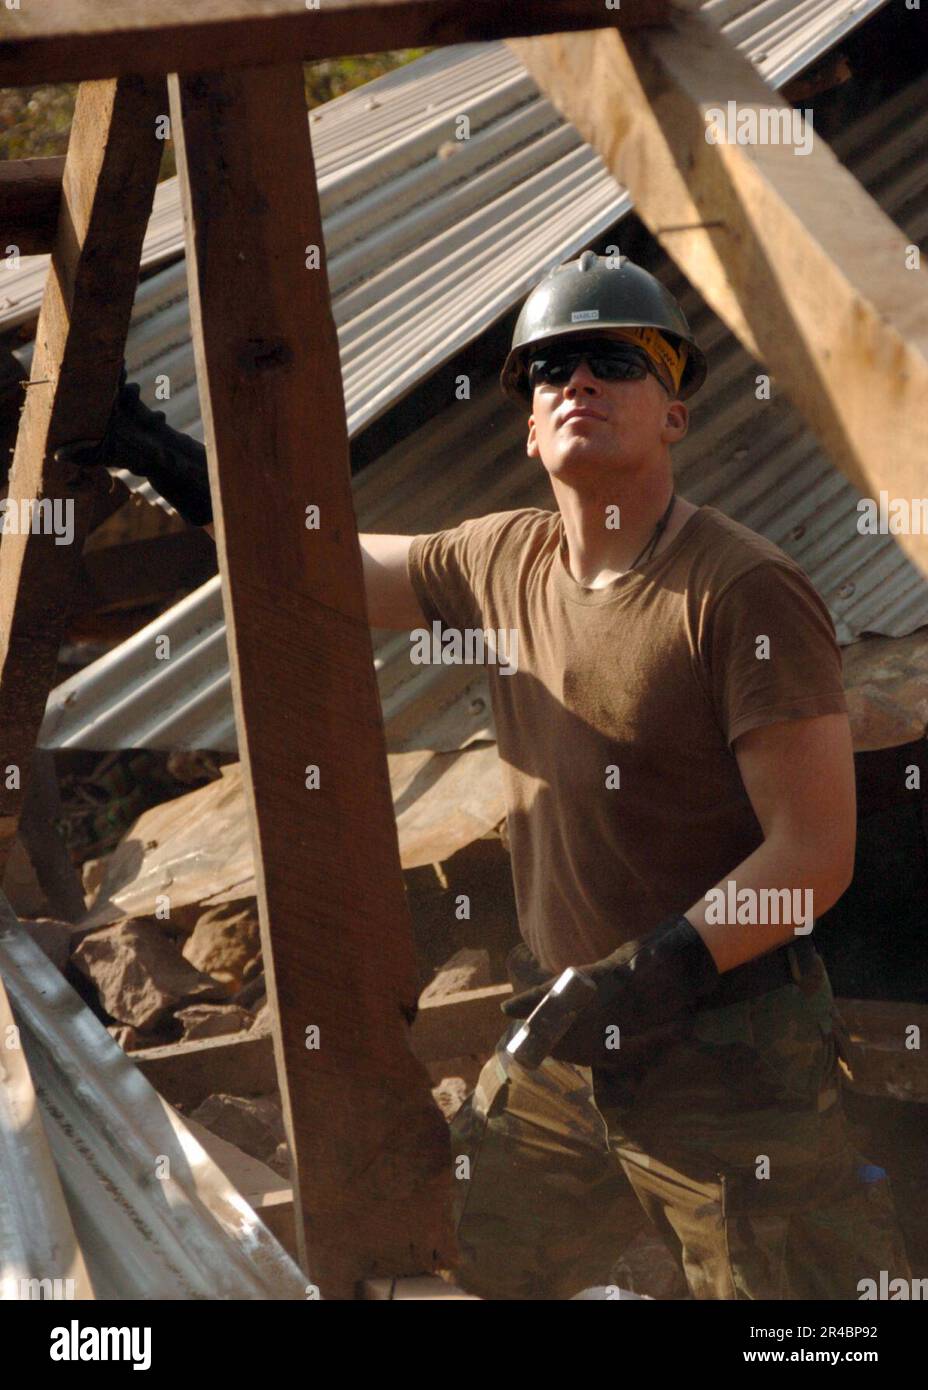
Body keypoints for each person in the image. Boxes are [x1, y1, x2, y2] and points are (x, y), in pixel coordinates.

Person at [59, 250, 912, 1301]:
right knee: (446, 1249)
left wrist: (654, 968)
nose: (576, 382)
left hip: (730, 1055)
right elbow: (307, 559)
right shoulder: (496, 560)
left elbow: (813, 855)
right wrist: (164, 456)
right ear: (526, 424)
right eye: (549, 369)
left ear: (674, 414)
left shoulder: (741, 591)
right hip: (568, 1042)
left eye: (611, 359)